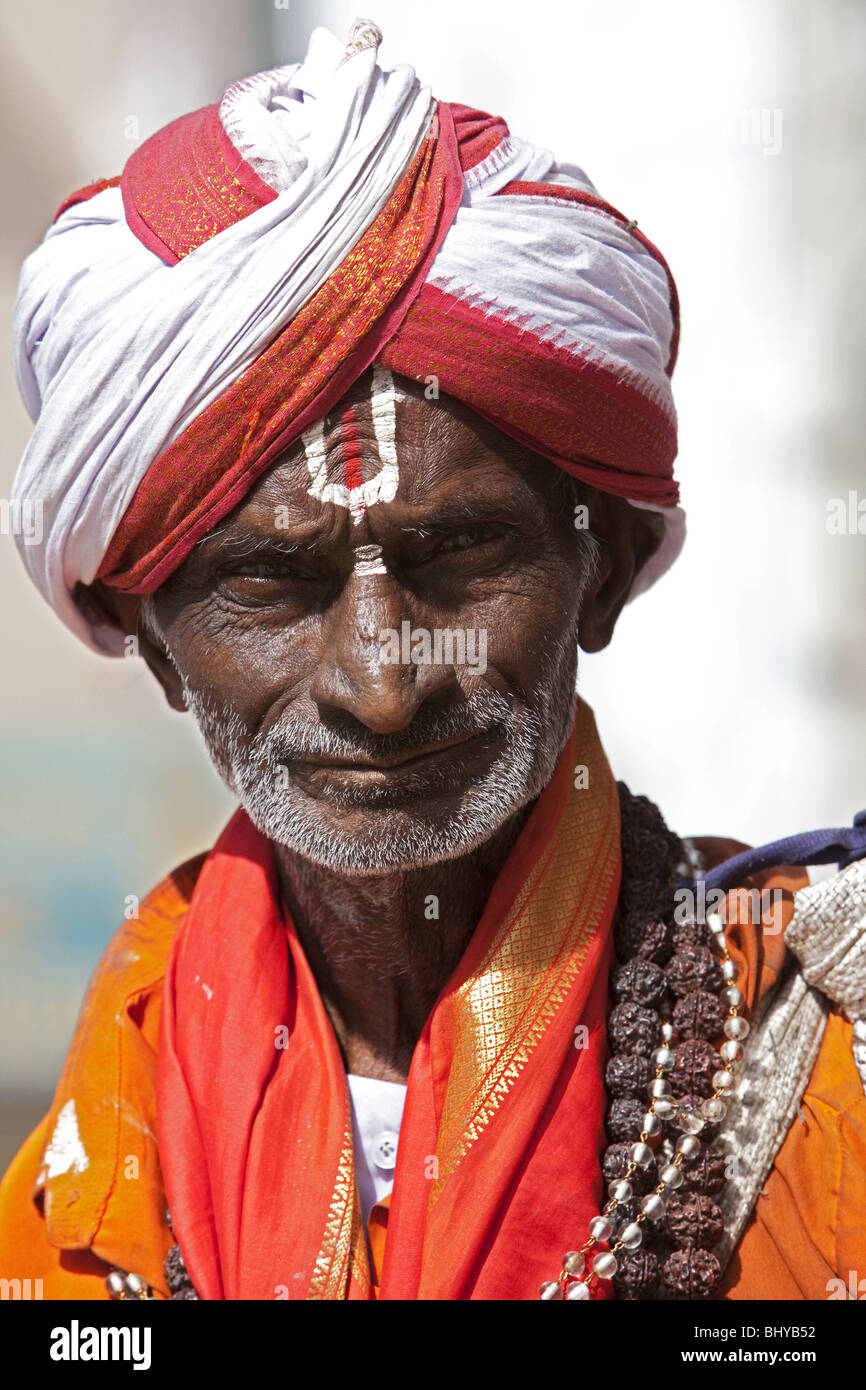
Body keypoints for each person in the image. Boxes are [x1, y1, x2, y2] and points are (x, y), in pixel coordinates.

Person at [1, 21, 864, 1303]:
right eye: (269, 581)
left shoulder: (828, 1054)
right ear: (148, 633)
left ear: (608, 569)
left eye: (459, 552)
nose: (382, 680)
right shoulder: (83, 1185)